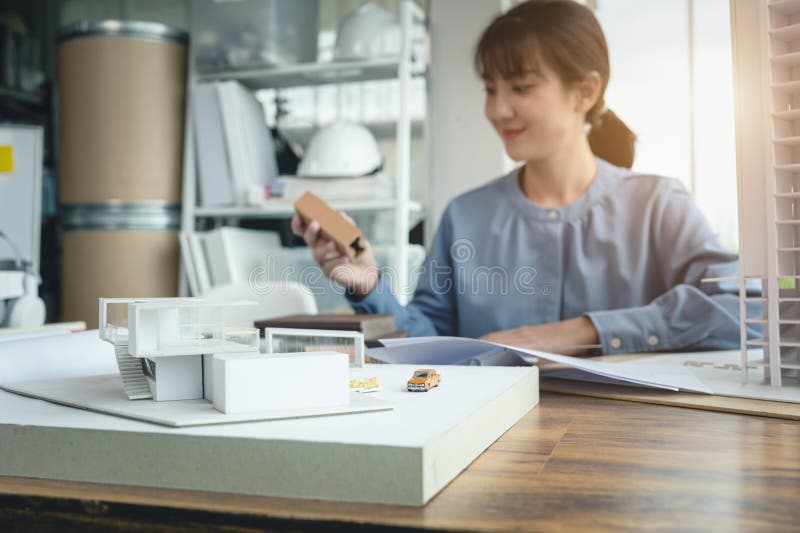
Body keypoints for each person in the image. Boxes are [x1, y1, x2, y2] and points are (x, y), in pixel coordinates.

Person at [291, 0, 757, 355]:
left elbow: (746, 308)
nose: (497, 109)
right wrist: (369, 285)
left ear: (585, 90)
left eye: (521, 87)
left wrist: (582, 331)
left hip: (628, 447)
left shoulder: (658, 205)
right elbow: (428, 343)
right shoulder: (466, 216)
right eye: (490, 89)